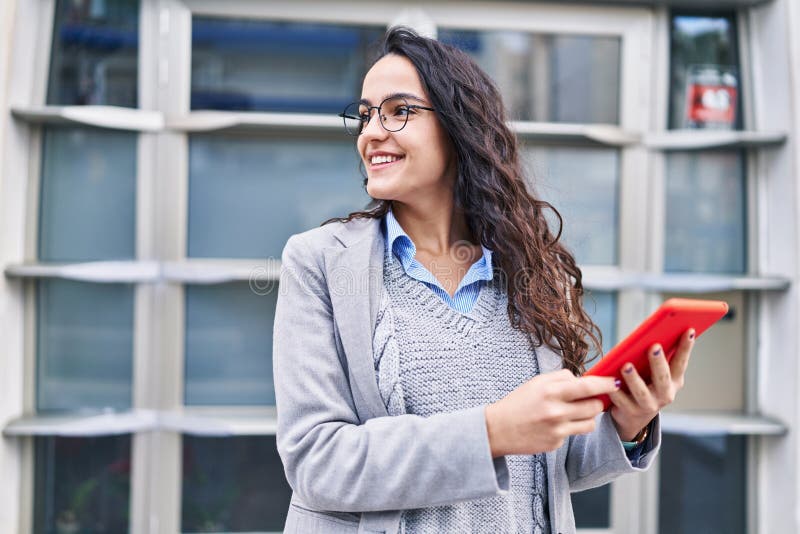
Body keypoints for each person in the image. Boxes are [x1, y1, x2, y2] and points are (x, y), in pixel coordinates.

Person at [273, 26, 695, 534]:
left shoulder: (529, 264)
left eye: (398, 111)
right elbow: (317, 463)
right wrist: (491, 432)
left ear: (459, 127)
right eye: (364, 115)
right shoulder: (319, 262)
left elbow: (546, 467)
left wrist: (626, 424)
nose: (371, 132)